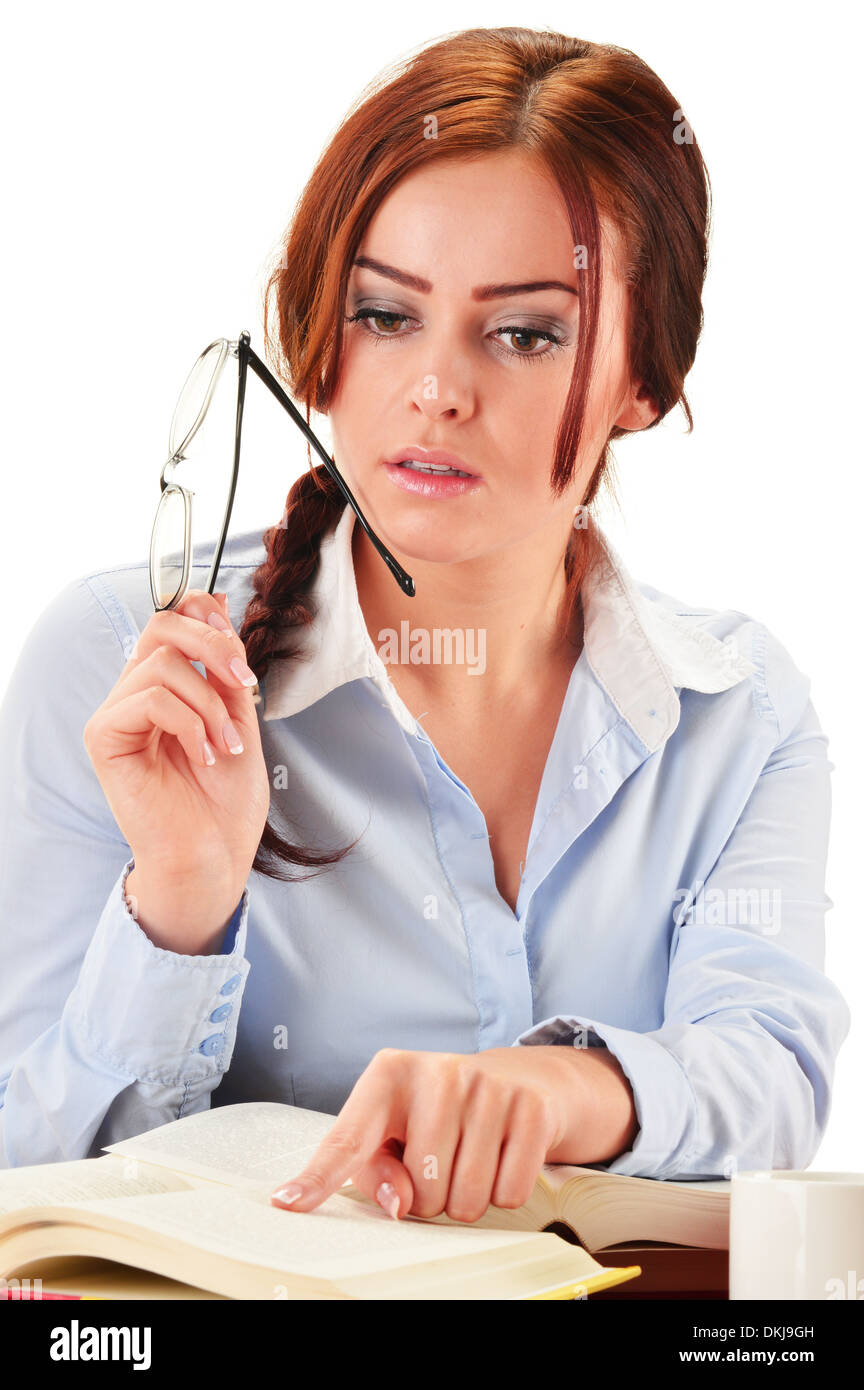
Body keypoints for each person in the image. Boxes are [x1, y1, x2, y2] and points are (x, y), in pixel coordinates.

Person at [0, 27, 850, 1229]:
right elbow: (35, 1193)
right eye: (386, 314)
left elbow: (770, 1071)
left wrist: (563, 1087)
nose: (437, 388)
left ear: (645, 380)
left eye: (524, 332)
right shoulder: (120, 667)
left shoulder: (736, 710)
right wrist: (180, 907)